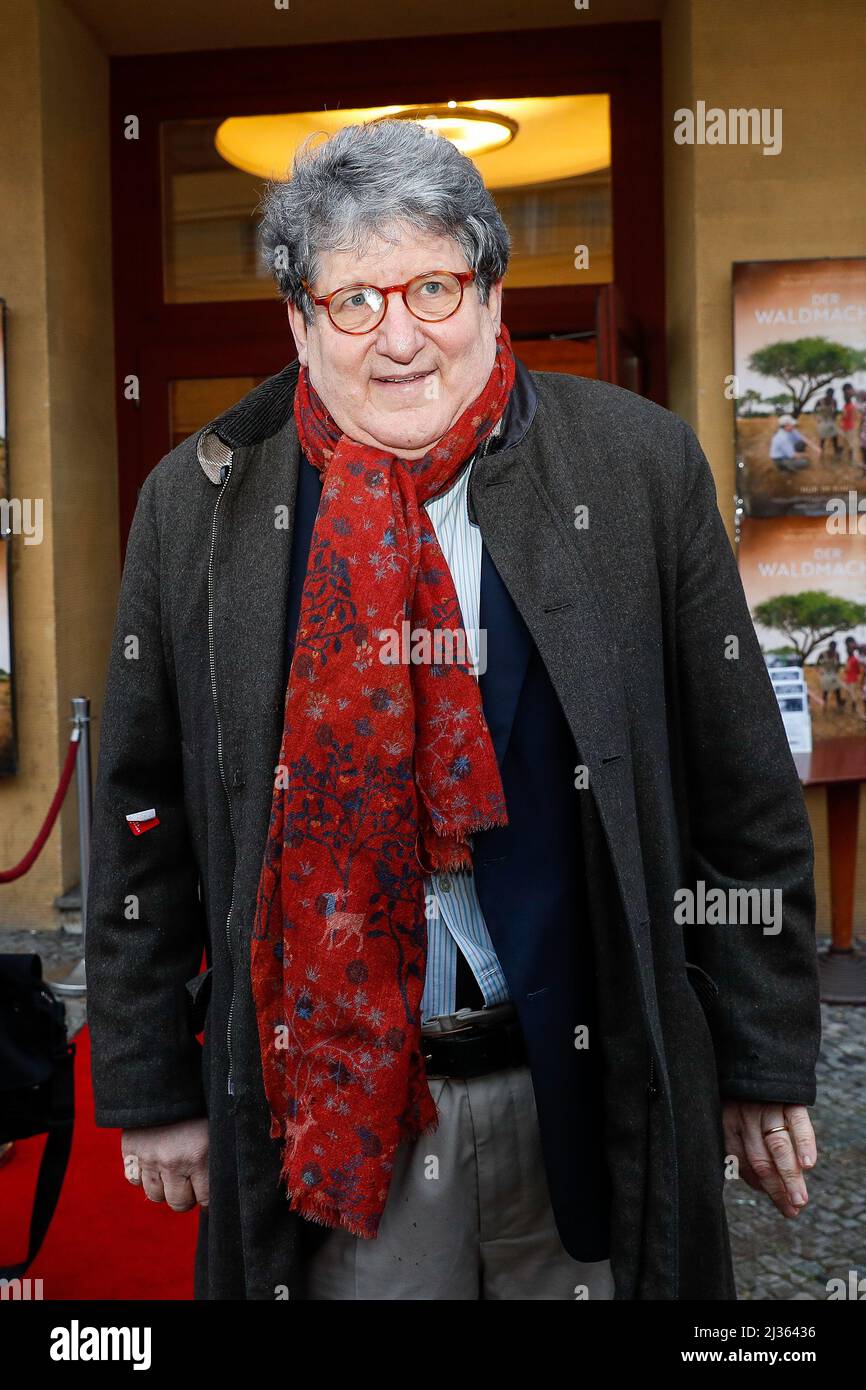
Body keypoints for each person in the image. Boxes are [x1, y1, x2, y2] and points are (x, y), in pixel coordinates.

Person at [86, 119, 821, 1303]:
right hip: (334, 1110)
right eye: (354, 300)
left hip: (583, 1085)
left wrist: (763, 1053)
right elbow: (140, 812)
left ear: (488, 291)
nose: (401, 335)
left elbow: (739, 777)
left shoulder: (634, 469)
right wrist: (151, 1086)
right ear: (298, 322)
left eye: (431, 284)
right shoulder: (201, 500)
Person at [839, 384, 862, 468]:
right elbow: (856, 417)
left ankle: (848, 460)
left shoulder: (847, 406)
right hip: (850, 427)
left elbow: (844, 417)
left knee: (847, 445)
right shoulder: (852, 406)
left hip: (846, 427)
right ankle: (851, 461)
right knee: (851, 445)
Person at [814, 388, 841, 459]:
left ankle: (836, 453)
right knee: (822, 439)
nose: (831, 395)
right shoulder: (820, 401)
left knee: (834, 437)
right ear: (826, 393)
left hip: (831, 421)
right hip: (823, 422)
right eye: (830, 394)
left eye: (832, 394)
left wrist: (834, 420)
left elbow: (835, 412)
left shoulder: (834, 401)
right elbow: (815, 410)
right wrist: (818, 418)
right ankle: (820, 453)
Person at [816, 641, 844, 709]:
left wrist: (837, 670)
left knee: (837, 689)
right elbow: (817, 664)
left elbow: (838, 665)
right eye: (832, 647)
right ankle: (824, 704)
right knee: (826, 690)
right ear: (830, 646)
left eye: (834, 647)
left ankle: (839, 704)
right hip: (825, 674)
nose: (833, 648)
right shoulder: (823, 654)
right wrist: (820, 671)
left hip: (833, 674)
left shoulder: (837, 654)